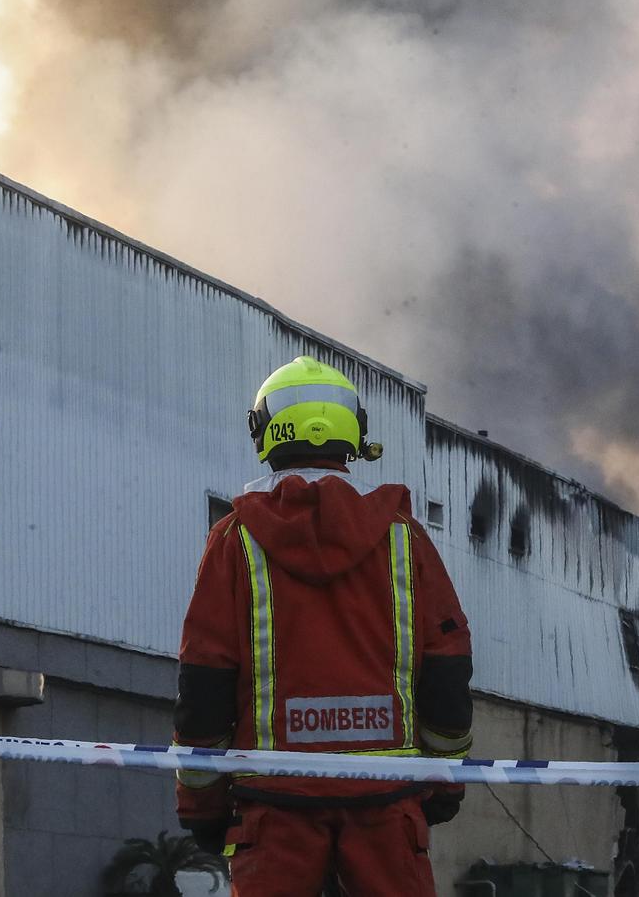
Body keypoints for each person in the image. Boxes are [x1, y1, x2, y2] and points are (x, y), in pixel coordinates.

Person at [173, 357, 473, 896]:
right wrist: (443, 781)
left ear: (264, 431)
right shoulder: (405, 540)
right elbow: (447, 663)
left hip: (274, 810)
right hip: (386, 806)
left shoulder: (234, 541)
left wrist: (203, 804)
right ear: (354, 434)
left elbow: (205, 678)